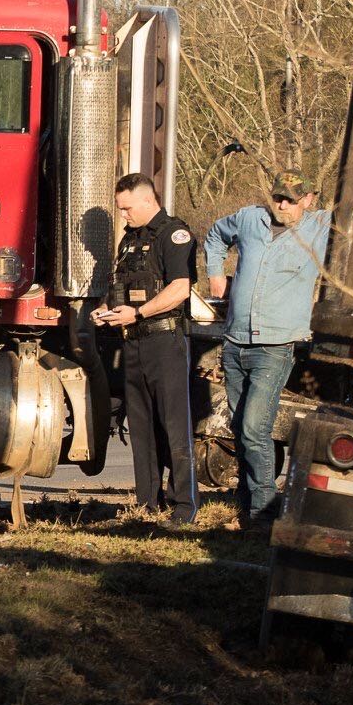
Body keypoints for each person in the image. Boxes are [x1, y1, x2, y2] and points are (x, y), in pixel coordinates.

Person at [204, 171, 331, 527]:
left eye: (292, 199)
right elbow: (215, 235)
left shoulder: (320, 228)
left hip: (276, 346)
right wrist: (216, 273)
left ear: (309, 199)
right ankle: (247, 509)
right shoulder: (248, 219)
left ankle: (265, 512)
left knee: (254, 429)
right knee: (239, 429)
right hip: (234, 342)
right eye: (278, 197)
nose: (283, 205)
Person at [94, 173, 198, 524]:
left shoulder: (173, 233)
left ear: (147, 200)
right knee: (141, 428)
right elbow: (124, 285)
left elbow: (179, 289)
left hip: (165, 341)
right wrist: (107, 307)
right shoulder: (130, 240)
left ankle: (184, 506)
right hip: (134, 341)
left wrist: (137, 312)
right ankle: (147, 504)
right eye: (120, 209)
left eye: (126, 208)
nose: (123, 215)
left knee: (174, 426)